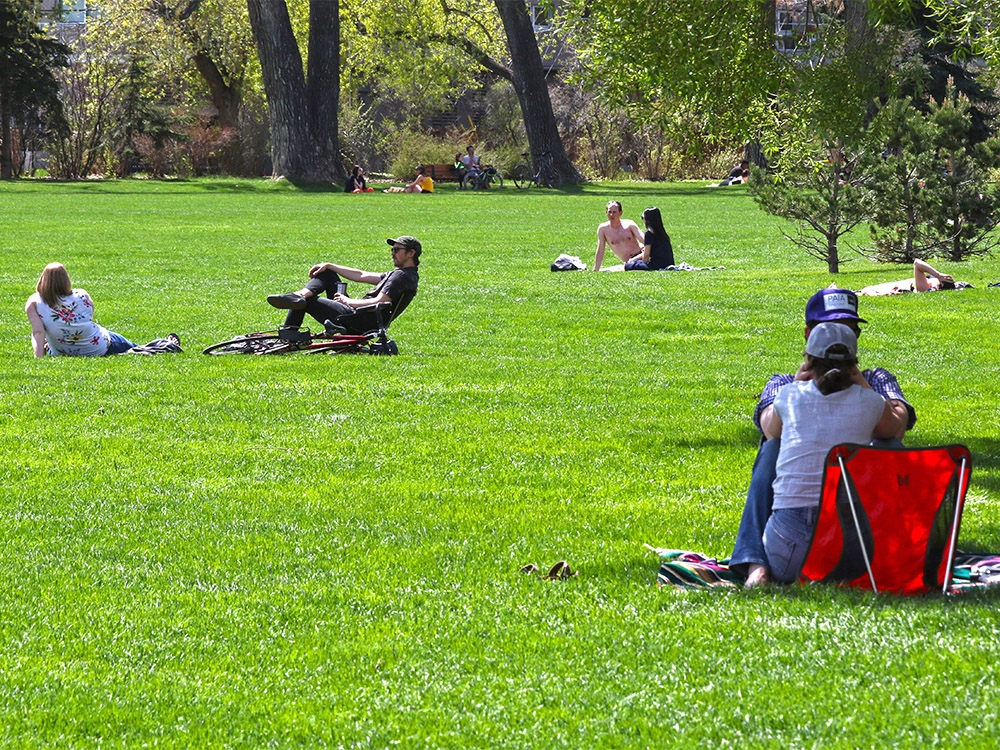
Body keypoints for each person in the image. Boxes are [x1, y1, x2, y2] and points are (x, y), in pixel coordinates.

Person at [730, 288, 916, 587]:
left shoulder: (876, 379)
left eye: (848, 328)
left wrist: (861, 387)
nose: (839, 334)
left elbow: (895, 428)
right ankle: (756, 563)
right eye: (829, 328)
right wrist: (802, 387)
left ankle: (894, 548)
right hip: (842, 534)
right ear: (807, 333)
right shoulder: (784, 384)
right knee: (771, 449)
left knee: (889, 446)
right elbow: (770, 430)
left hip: (836, 520)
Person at [761, 323, 904, 583]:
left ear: (808, 361)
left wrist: (794, 383)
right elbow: (894, 431)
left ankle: (753, 566)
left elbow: (772, 435)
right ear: (853, 365)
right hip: (847, 556)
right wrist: (863, 384)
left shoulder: (789, 396)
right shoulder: (870, 402)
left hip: (787, 556)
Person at [266, 235, 421, 336]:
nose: (392, 253)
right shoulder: (405, 275)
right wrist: (330, 265)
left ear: (411, 253)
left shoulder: (401, 276)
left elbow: (380, 302)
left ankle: (289, 333)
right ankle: (299, 295)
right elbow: (361, 275)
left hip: (356, 320)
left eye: (397, 250)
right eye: (392, 249)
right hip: (361, 317)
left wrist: (348, 302)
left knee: (308, 302)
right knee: (328, 274)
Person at [26, 262, 141, 357]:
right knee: (135, 348)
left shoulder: (34, 302)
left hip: (60, 352)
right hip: (98, 348)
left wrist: (39, 358)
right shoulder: (81, 295)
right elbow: (88, 318)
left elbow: (38, 332)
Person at [858, 259, 960, 296]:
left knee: (867, 291)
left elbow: (917, 263)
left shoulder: (924, 288)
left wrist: (938, 275)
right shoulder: (932, 282)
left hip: (888, 288)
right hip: (891, 286)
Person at [593, 200, 644, 271]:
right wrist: (596, 269)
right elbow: (600, 250)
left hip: (642, 254)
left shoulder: (629, 224)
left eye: (614, 212)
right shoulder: (603, 229)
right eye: (609, 212)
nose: (611, 215)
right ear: (606, 212)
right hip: (629, 262)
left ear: (620, 213)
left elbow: (645, 241)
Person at [624, 207, 676, 271]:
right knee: (635, 262)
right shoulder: (662, 233)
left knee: (629, 266)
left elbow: (645, 257)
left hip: (656, 266)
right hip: (668, 264)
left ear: (647, 220)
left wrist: (635, 263)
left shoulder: (649, 234)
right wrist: (634, 259)